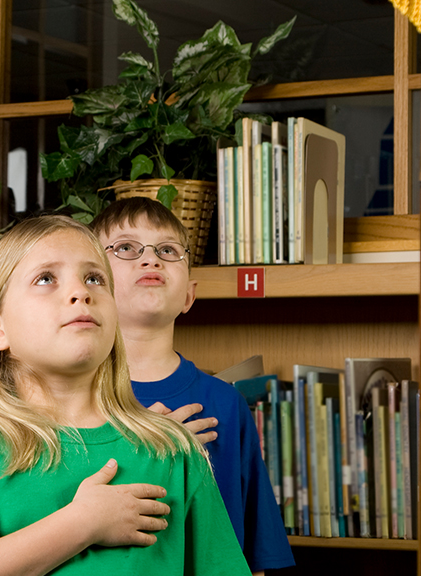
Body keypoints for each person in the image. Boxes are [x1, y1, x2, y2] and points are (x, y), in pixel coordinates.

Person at [0, 215, 249, 575]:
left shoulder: (172, 447)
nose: (81, 292)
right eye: (45, 279)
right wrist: (83, 523)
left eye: (94, 279)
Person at [90, 197, 293, 574]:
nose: (150, 260)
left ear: (189, 295)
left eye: (167, 250)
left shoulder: (227, 403)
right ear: (94, 285)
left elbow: (255, 550)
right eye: (126, 248)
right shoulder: (72, 398)